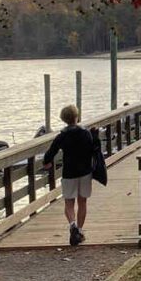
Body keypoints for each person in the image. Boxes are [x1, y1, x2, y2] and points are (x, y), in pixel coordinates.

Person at [42, 104, 99, 247]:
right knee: (82, 202)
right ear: (76, 116)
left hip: (69, 173)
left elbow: (50, 153)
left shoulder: (62, 136)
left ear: (64, 119)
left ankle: (72, 225)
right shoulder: (85, 133)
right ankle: (79, 230)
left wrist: (47, 162)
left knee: (69, 203)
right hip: (85, 172)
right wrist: (95, 135)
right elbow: (94, 149)